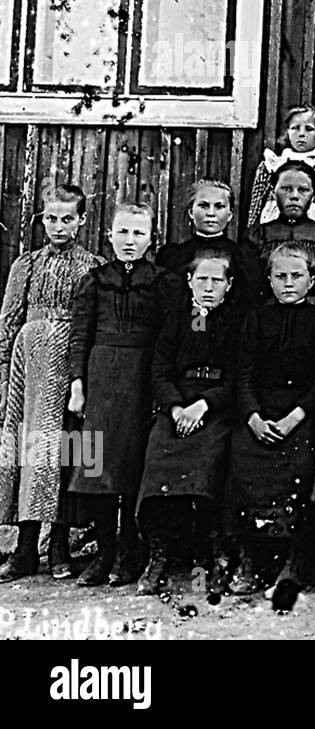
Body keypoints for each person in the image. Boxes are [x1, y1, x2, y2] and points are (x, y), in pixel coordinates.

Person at [67, 203, 185, 587]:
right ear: (109, 235)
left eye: (138, 233)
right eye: (123, 232)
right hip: (101, 378)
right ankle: (104, 552)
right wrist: (78, 385)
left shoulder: (164, 281)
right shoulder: (94, 280)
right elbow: (80, 334)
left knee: (133, 467)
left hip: (142, 377)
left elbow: (171, 339)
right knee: (97, 467)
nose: (129, 241)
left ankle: (132, 552)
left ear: (152, 238)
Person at [0, 184, 103, 582]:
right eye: (51, 218)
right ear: (41, 219)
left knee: (70, 448)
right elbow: (9, 323)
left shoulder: (93, 266)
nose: (58, 226)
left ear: (81, 221)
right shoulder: (25, 265)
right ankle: (26, 547)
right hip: (31, 367)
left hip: (74, 363)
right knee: (31, 449)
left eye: (67, 219)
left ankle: (60, 544)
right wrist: (5, 373)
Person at [227, 242, 315, 595]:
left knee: (299, 466)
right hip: (260, 407)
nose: (288, 283)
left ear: (312, 279)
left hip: (301, 411)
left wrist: (294, 419)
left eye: (297, 276)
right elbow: (242, 374)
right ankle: (249, 557)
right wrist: (254, 417)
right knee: (242, 458)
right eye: (280, 276)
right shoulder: (256, 319)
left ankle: (292, 561)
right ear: (269, 280)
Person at [136, 247, 241, 596]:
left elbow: (238, 378)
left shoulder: (237, 322)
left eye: (217, 280)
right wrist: (176, 407)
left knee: (208, 463)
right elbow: (160, 371)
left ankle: (214, 553)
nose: (209, 287)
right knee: (157, 459)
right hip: (178, 407)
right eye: (202, 279)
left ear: (229, 285)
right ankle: (159, 553)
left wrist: (204, 405)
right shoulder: (177, 319)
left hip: (215, 407)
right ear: (189, 281)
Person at [237, 160, 315, 315]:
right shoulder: (258, 235)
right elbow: (249, 289)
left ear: (313, 195)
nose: (294, 196)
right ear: (274, 191)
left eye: (303, 190)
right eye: (286, 189)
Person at [247, 105, 315, 228]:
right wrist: (252, 229)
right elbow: (257, 203)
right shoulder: (272, 163)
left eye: (309, 129)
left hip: (311, 223)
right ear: (287, 132)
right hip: (273, 222)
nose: (301, 134)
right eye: (295, 128)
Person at [156, 179, 239, 277]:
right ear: (191, 212)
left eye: (219, 206)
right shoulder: (173, 256)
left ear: (229, 215)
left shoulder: (239, 257)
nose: (211, 213)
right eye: (204, 206)